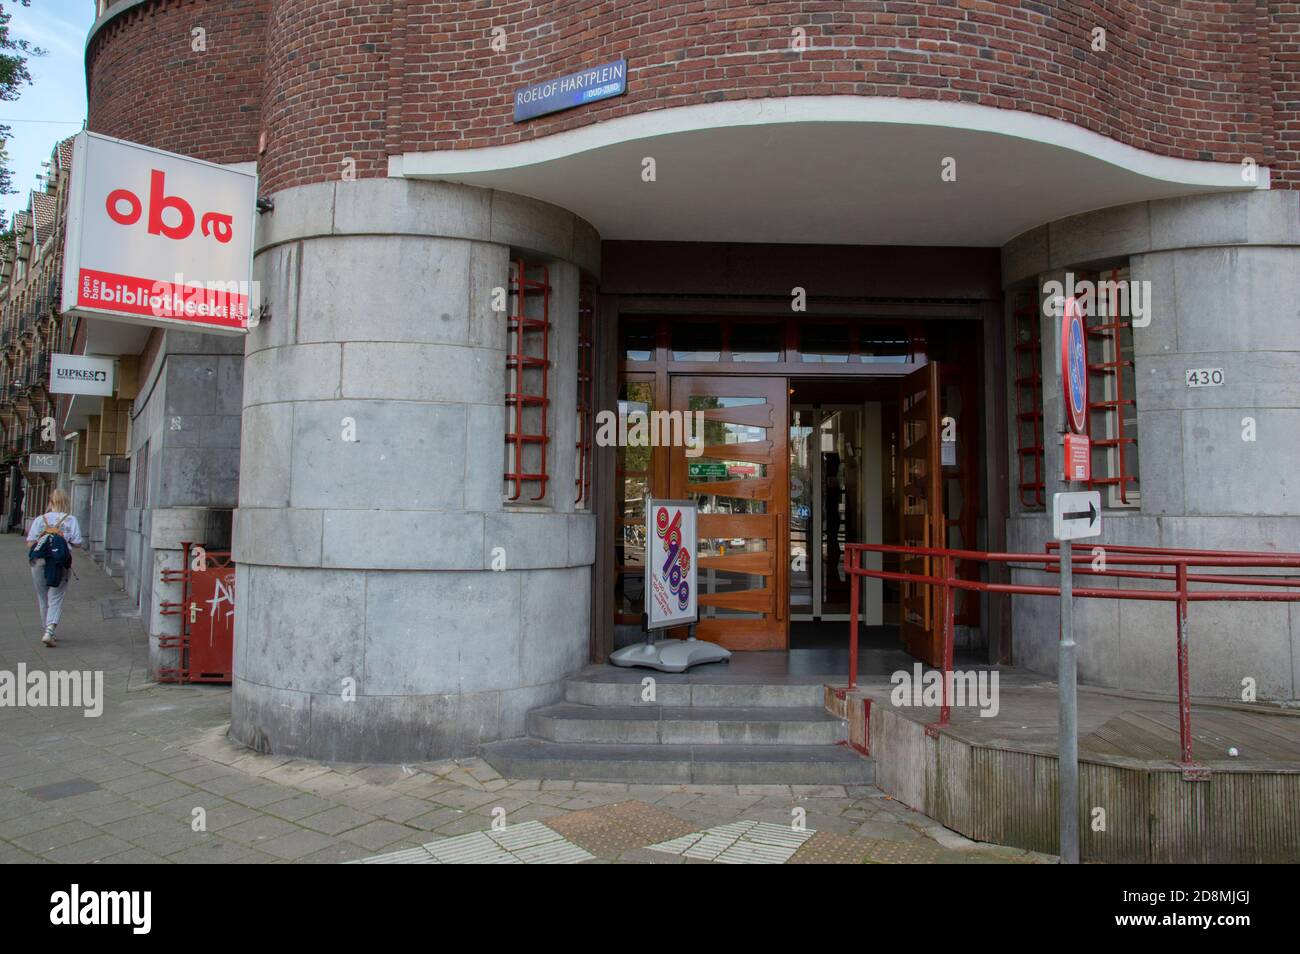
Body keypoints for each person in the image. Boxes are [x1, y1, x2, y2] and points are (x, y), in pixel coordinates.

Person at [25, 488, 83, 647]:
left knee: (43, 596)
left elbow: (30, 543)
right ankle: (50, 630)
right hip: (60, 563)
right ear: (67, 503)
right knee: (56, 596)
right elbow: (78, 544)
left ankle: (47, 630)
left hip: (39, 561)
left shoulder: (40, 519)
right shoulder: (71, 520)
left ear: (50, 502)